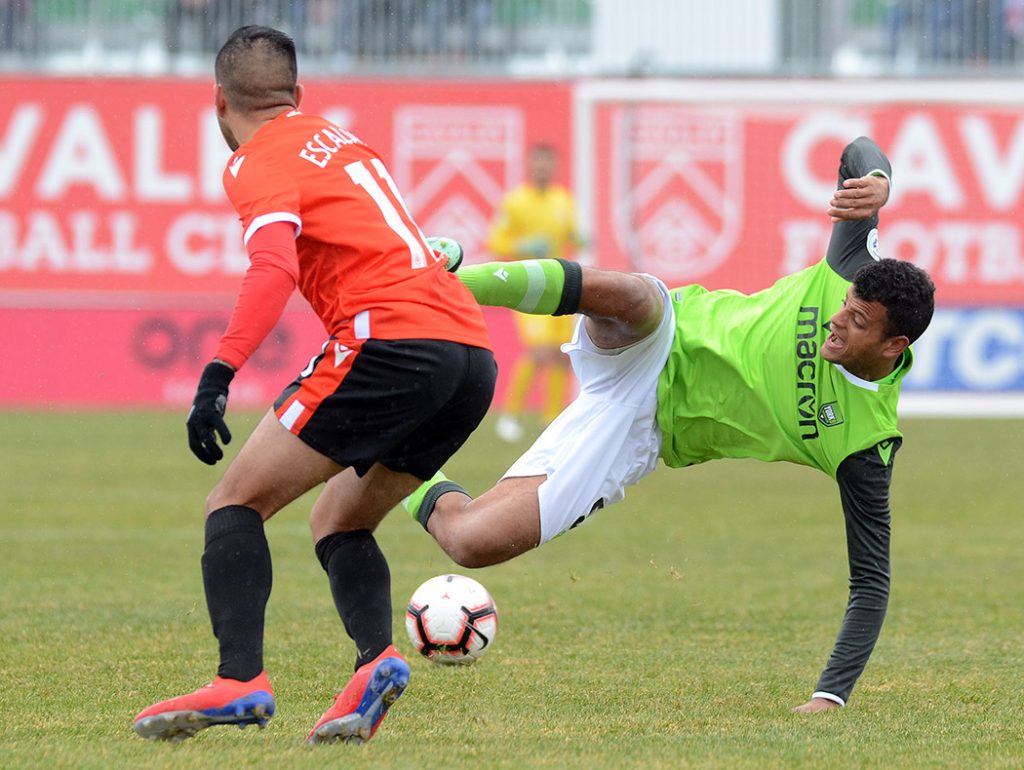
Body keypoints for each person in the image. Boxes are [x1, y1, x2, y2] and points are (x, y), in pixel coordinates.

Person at [404, 137, 936, 714]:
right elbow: (857, 151)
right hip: (668, 331)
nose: (837, 320)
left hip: (643, 427)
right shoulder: (852, 269)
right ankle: (447, 282)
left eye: (856, 322)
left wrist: (828, 697)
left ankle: (389, 452)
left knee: (470, 542)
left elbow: (871, 585)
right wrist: (880, 179)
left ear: (893, 346)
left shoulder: (864, 443)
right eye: (845, 305)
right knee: (634, 297)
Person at [132, 26, 495, 744]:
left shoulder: (254, 159)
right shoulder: (343, 143)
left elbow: (272, 267)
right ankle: (375, 663)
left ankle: (240, 681)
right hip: (469, 354)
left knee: (234, 502)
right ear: (298, 95)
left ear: (218, 104)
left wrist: (219, 372)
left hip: (387, 341)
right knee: (339, 519)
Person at [486, 143, 580, 442]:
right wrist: (523, 246)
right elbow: (496, 241)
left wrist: (578, 238)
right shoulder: (515, 202)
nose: (543, 169)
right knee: (539, 351)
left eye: (548, 164)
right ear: (530, 166)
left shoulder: (563, 200)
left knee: (562, 353)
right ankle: (510, 414)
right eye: (538, 163)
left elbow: (572, 235)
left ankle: (551, 419)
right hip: (527, 284)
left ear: (554, 167)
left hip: (558, 282)